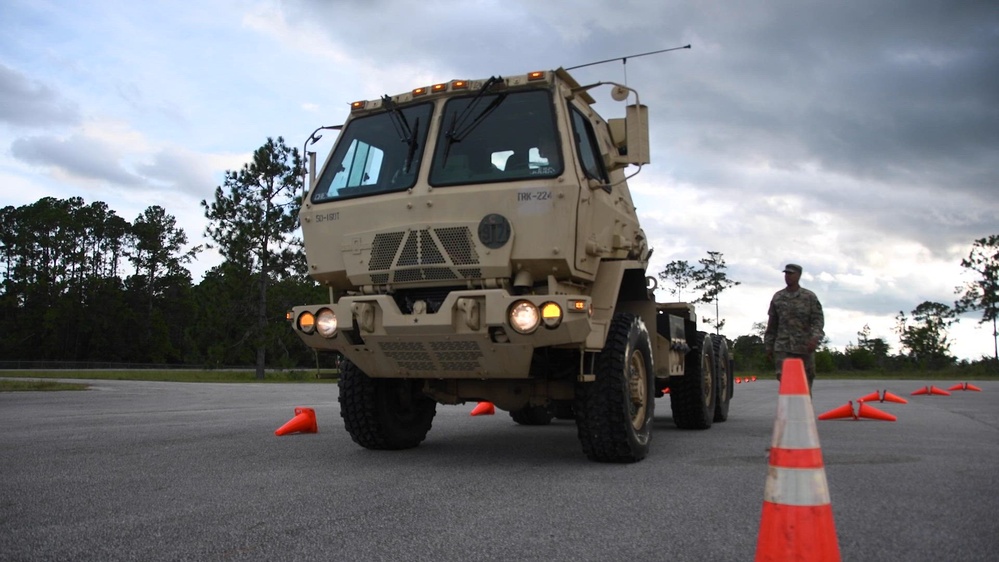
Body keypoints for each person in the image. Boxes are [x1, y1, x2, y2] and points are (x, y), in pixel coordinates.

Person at [764, 263, 825, 392]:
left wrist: (815, 338)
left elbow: (818, 320)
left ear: (798, 275)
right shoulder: (778, 297)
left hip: (804, 347)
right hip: (783, 347)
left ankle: (805, 405)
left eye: (791, 274)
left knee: (805, 383)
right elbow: (772, 324)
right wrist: (769, 346)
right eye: (786, 274)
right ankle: (787, 405)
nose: (788, 276)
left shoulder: (809, 297)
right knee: (785, 382)